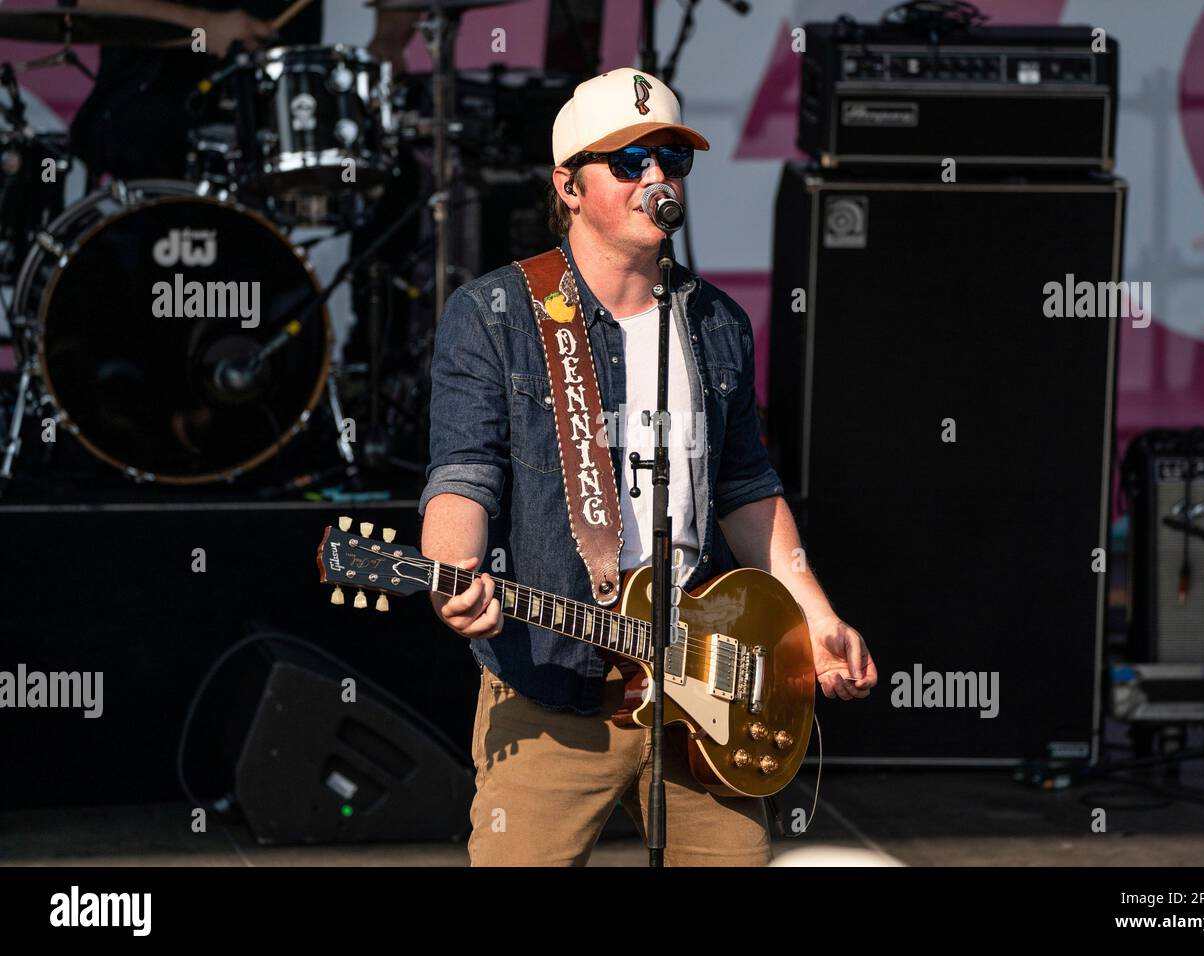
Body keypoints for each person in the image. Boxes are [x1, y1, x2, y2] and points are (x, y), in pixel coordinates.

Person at [419, 67, 876, 867]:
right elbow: (464, 471)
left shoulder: (716, 321)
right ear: (568, 184)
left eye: (671, 158)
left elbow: (745, 487)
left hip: (704, 689)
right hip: (554, 690)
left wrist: (817, 615)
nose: (656, 177)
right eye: (628, 163)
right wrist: (449, 563)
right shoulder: (495, 315)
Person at [67, 0, 415, 180]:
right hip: (150, 109)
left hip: (280, 112)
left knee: (399, 171)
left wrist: (389, 40)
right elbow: (85, 4)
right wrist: (204, 27)